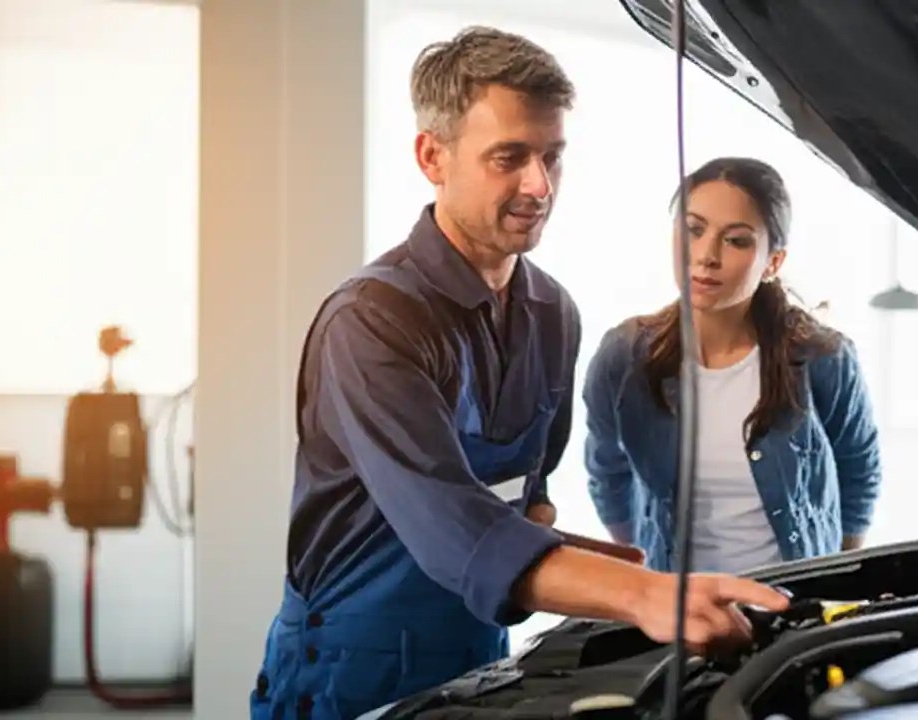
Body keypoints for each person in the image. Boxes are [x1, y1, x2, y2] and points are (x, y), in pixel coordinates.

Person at [248, 28, 789, 720]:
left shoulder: (551, 313)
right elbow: (458, 528)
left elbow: (524, 505)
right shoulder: (372, 322)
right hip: (352, 665)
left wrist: (653, 580)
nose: (539, 185)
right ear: (431, 157)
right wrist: (646, 596)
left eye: (552, 157)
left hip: (480, 648)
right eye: (510, 158)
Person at [584, 156, 883, 575]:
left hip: (792, 606)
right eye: (694, 230)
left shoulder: (822, 356)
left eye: (737, 240)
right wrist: (647, 564)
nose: (706, 255)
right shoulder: (624, 355)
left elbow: (858, 469)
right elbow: (606, 471)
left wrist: (834, 579)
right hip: (679, 614)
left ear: (773, 262)